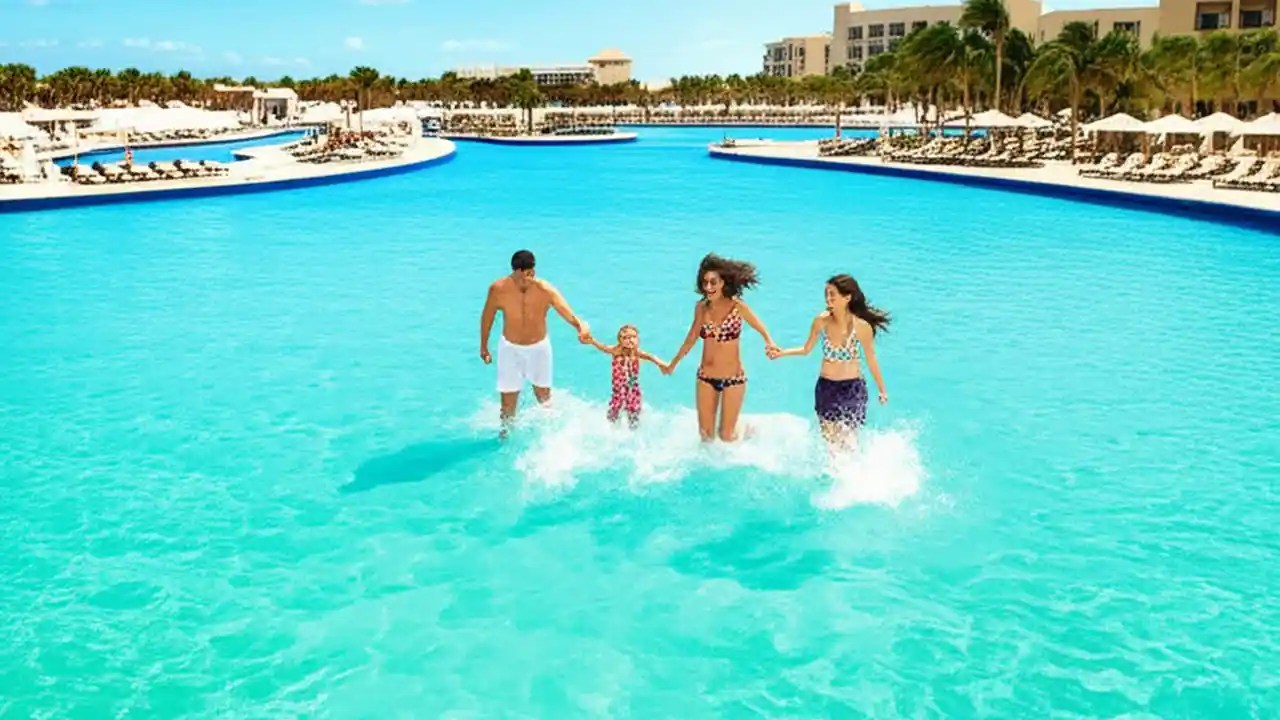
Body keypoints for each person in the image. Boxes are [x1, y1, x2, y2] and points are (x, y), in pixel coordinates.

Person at [666, 253, 780, 442]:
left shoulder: (737, 306)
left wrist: (770, 342)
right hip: (706, 377)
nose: (708, 287)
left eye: (713, 282)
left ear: (723, 283)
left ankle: (743, 427)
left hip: (733, 378)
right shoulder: (701, 308)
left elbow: (758, 325)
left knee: (726, 436)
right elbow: (692, 338)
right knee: (705, 436)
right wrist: (673, 363)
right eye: (705, 283)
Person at [768, 273, 889, 451]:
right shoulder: (821, 321)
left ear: (847, 297)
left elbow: (871, 359)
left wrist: (881, 389)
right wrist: (782, 353)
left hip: (853, 389)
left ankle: (853, 476)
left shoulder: (861, 327)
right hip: (827, 388)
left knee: (849, 443)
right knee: (832, 446)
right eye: (826, 293)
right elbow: (806, 349)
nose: (828, 298)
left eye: (832, 294)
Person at [479, 249, 590, 436]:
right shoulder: (498, 289)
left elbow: (565, 310)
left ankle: (550, 436)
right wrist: (484, 346)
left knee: (544, 396)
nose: (528, 278)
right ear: (515, 271)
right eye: (523, 274)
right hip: (510, 349)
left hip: (539, 348)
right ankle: (505, 435)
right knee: (507, 400)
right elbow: (487, 317)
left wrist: (580, 326)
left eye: (531, 273)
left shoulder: (544, 289)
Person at [583, 324, 668, 428]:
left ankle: (633, 430)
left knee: (634, 411)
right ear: (620, 340)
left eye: (633, 337)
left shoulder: (637, 353)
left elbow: (651, 357)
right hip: (618, 389)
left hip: (633, 389)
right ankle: (612, 430)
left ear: (637, 339)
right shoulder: (616, 351)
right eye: (626, 338)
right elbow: (603, 347)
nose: (630, 340)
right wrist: (591, 341)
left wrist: (661, 364)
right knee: (615, 411)